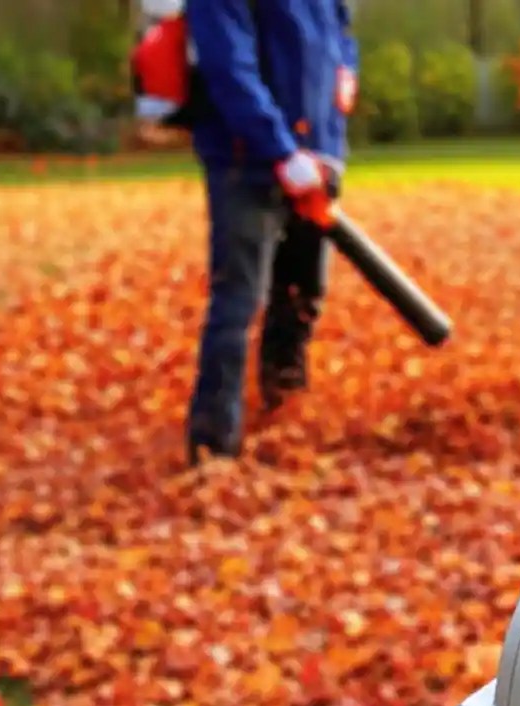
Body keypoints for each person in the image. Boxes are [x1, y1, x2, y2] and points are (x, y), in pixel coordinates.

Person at [175, 0, 359, 465]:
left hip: (316, 159)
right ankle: (213, 448)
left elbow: (340, 43)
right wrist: (279, 150)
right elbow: (228, 66)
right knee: (238, 302)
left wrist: (332, 129)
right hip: (246, 164)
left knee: (302, 294)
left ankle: (283, 417)